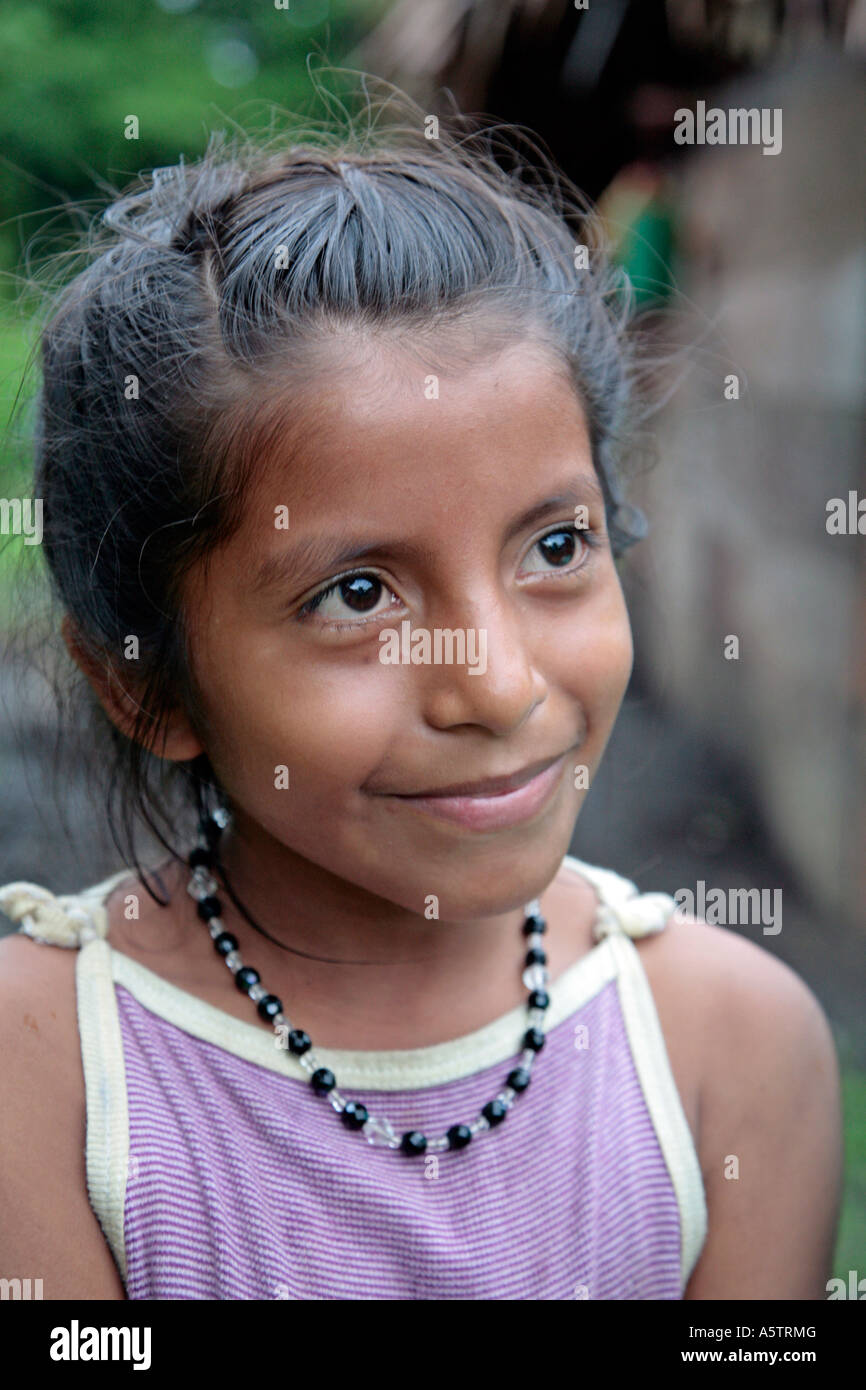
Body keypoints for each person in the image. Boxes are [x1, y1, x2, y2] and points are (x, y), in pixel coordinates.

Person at [0, 83, 842, 1301]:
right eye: (355, 595)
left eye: (554, 549)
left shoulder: (731, 1048)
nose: (498, 687)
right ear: (147, 684)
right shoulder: (51, 1080)